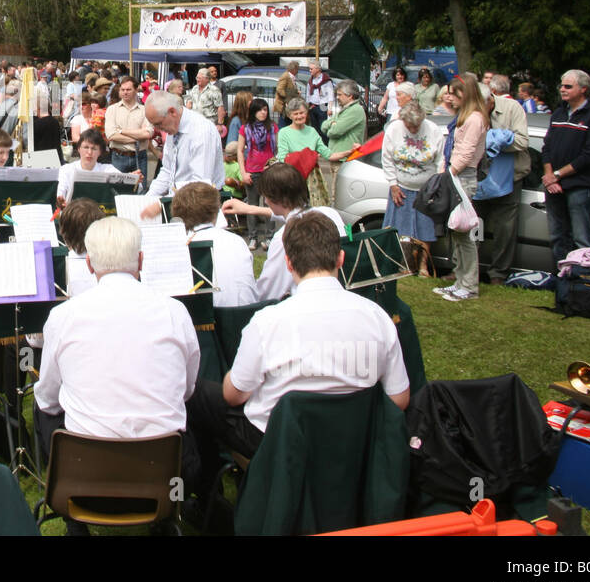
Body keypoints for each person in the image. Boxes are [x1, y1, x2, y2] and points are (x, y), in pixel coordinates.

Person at [185, 211, 410, 499]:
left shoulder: (268, 321)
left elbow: (233, 396)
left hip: (276, 441)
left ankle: (205, 497)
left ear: (289, 263)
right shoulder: (377, 317)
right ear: (341, 259)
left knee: (196, 391)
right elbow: (399, 398)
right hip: (353, 439)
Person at [34, 217, 200, 532]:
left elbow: (48, 397)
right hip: (164, 468)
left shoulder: (63, 316)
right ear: (140, 260)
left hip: (84, 470)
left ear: (89, 265)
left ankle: (73, 514)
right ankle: (179, 506)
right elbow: (188, 389)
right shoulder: (175, 311)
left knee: (42, 406)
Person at [221, 162, 344, 303]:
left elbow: (269, 290)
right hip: (339, 293)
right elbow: (294, 213)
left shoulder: (285, 237)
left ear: (273, 199)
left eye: (266, 197)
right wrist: (249, 209)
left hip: (304, 304)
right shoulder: (330, 214)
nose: (265, 201)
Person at [540, 69, 590, 265]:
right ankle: (562, 279)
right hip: (553, 185)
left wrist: (557, 174)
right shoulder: (559, 112)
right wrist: (549, 176)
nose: (562, 89)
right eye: (561, 85)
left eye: (568, 86)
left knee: (582, 239)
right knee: (557, 236)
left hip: (581, 185)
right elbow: (546, 147)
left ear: (583, 89)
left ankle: (584, 281)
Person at [434, 75, 489, 301]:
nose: (448, 97)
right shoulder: (463, 116)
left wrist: (449, 174)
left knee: (465, 235)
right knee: (456, 233)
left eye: (453, 93)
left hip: (462, 177)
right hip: (455, 174)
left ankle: (470, 285)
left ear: (464, 94)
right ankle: (460, 280)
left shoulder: (475, 119)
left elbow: (466, 153)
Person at [473, 76, 530, 285]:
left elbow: (523, 141)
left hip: (509, 179)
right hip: (479, 179)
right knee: (474, 226)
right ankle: (468, 268)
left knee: (504, 230)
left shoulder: (512, 108)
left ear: (491, 100)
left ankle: (498, 274)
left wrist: (493, 140)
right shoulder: (472, 107)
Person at [382, 100, 446, 277]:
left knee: (425, 229)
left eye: (416, 126)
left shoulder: (433, 130)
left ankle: (423, 266)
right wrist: (393, 184)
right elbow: (387, 159)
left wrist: (437, 184)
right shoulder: (394, 129)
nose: (413, 129)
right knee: (402, 229)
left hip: (427, 190)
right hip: (402, 187)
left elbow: (441, 160)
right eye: (409, 126)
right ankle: (405, 265)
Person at [172, 182, 258, 308]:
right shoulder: (237, 241)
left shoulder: (182, 246)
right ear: (215, 211)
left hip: (210, 318)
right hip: (244, 315)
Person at [141, 90, 225, 217]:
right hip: (180, 202)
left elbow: (200, 183)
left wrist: (162, 204)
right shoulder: (173, 127)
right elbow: (168, 170)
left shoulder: (201, 131)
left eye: (159, 123)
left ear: (172, 112)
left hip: (201, 207)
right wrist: (149, 198)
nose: (158, 129)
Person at [276, 98, 335, 206]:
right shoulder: (284, 133)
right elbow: (282, 158)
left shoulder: (312, 131)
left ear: (306, 113)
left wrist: (350, 152)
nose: (299, 116)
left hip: (312, 180)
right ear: (290, 115)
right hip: (293, 179)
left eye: (302, 113)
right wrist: (307, 157)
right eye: (295, 114)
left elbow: (328, 154)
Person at [237, 98, 278, 250]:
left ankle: (270, 237)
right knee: (252, 206)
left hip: (268, 171)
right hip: (252, 171)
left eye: (265, 110)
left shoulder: (272, 127)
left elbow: (277, 149)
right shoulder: (245, 128)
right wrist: (243, 172)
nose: (263, 112)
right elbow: (240, 151)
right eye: (260, 110)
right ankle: (252, 237)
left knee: (270, 204)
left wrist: (274, 166)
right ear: (253, 112)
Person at [104, 76, 153, 178]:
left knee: (140, 190)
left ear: (136, 90)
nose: (125, 92)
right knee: (117, 190)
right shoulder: (112, 110)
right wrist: (138, 138)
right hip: (118, 156)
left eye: (128, 89)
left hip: (140, 157)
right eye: (123, 89)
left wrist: (121, 131)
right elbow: (111, 135)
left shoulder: (145, 110)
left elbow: (148, 133)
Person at [57, 128, 119, 206]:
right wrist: (60, 199)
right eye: (86, 147)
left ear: (100, 152)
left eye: (94, 148)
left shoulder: (107, 169)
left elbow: (123, 181)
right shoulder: (66, 169)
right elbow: (60, 191)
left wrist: (133, 177)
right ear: (79, 149)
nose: (89, 152)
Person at [322, 79, 366, 161]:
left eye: (340, 95)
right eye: (337, 95)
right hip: (336, 157)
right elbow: (323, 126)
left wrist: (332, 126)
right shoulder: (344, 109)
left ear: (350, 96)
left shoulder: (355, 110)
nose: (337, 97)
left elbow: (335, 131)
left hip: (346, 159)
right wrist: (332, 123)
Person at [305, 61, 334, 134]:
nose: (310, 70)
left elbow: (331, 95)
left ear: (317, 69)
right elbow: (308, 95)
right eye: (309, 69)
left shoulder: (326, 80)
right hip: (313, 105)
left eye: (311, 69)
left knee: (323, 126)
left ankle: (324, 143)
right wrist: (307, 107)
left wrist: (330, 109)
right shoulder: (311, 81)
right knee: (314, 127)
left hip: (322, 105)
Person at [274, 61, 301, 127]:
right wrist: (287, 98)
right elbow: (279, 89)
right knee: (283, 122)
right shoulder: (285, 76)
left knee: (288, 121)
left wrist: (296, 92)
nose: (298, 71)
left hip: (289, 105)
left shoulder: (291, 77)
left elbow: (289, 88)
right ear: (294, 69)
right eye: (297, 69)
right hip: (284, 105)